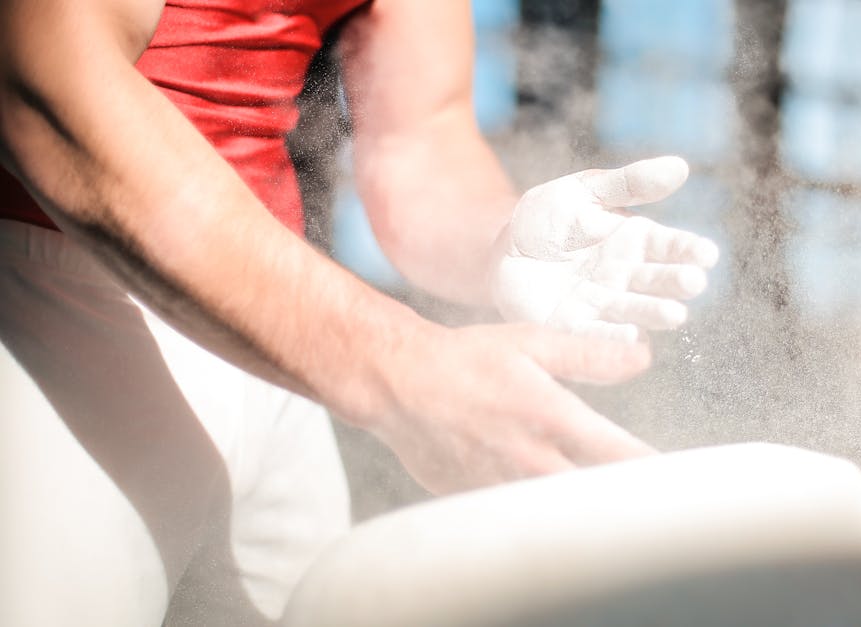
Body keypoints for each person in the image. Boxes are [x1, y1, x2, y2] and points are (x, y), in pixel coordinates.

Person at [0, 0, 717, 625]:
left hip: (278, 341)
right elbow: (45, 85)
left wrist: (502, 236)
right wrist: (399, 370)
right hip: (55, 296)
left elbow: (420, 137)